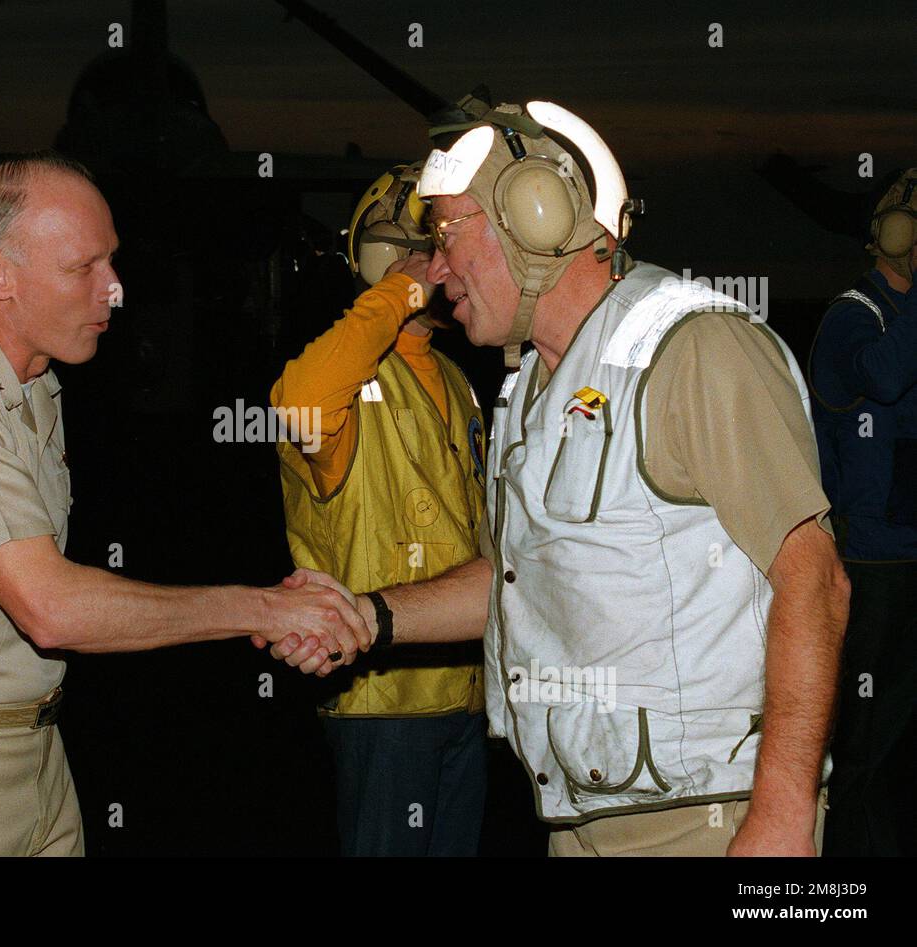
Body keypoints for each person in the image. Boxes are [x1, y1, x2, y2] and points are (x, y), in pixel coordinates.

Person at [266, 94, 849, 856]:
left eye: (446, 233)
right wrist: (369, 617)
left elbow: (815, 580)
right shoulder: (531, 392)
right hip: (581, 824)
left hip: (710, 822)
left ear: (532, 216)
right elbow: (513, 584)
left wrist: (781, 813)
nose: (434, 268)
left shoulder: (694, 349)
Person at [0, 151, 368, 856]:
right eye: (84, 268)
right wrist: (265, 608)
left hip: (31, 748)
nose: (114, 291)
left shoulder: (30, 386)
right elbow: (52, 609)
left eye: (112, 262)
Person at [271, 166, 487, 856]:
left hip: (467, 693)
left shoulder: (455, 377)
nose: (455, 266)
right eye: (438, 249)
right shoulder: (350, 376)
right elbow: (298, 398)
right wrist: (404, 286)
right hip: (383, 703)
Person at [809, 168, 917, 856]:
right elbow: (881, 375)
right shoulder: (857, 314)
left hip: (906, 549)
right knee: (860, 741)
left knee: (893, 739)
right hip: (870, 557)